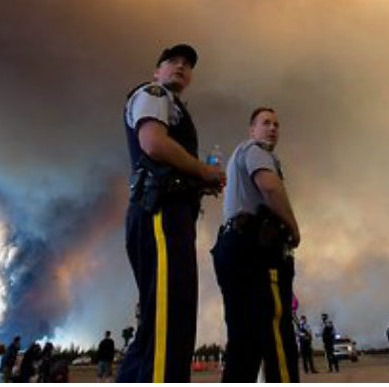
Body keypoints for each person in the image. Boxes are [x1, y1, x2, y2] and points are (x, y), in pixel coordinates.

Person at [117, 44, 226, 383]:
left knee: (158, 321)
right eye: (172, 61)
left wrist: (200, 180)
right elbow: (152, 142)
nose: (181, 66)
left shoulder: (174, 106)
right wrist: (202, 171)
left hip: (169, 213)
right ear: (157, 71)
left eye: (187, 64)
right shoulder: (153, 93)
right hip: (161, 213)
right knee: (169, 319)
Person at [212, 107, 301, 382]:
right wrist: (294, 229)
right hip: (255, 249)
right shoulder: (256, 149)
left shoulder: (240, 154)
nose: (272, 128)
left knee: (243, 337)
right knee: (276, 329)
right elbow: (270, 187)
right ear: (252, 130)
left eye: (276, 123)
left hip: (231, 246)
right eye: (265, 123)